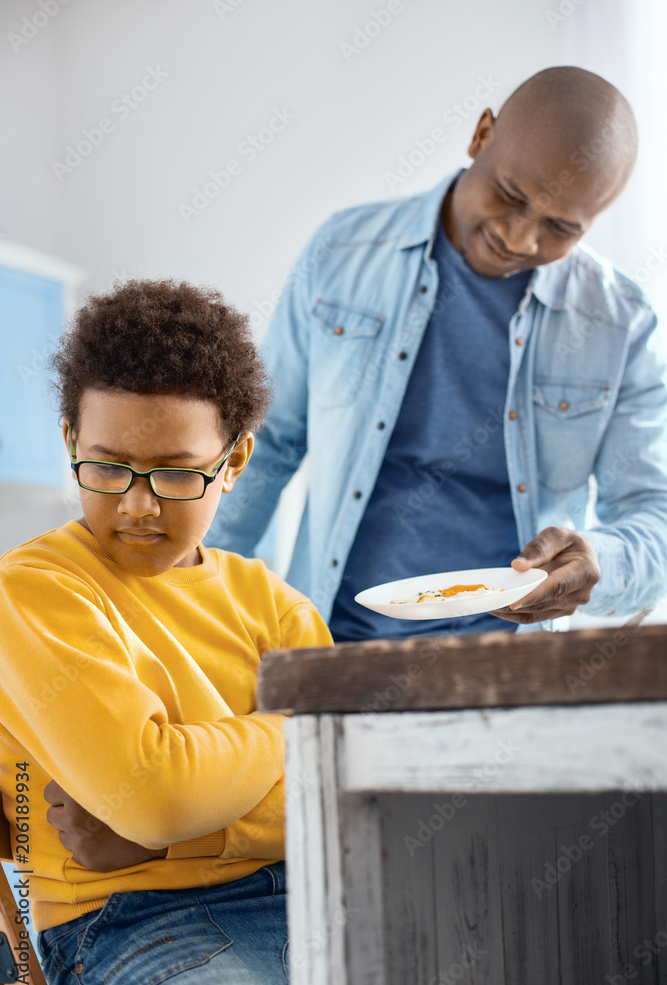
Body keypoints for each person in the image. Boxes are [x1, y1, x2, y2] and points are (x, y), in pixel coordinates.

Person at [206, 66, 667, 642]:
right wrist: (191, 596)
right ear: (480, 136)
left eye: (560, 227)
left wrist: (601, 558)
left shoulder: (621, 323)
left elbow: (654, 512)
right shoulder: (343, 254)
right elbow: (264, 446)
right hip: (325, 644)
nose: (521, 239)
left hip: (510, 671)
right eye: (511, 195)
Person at [0, 279, 332, 985]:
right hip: (125, 923)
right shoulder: (36, 588)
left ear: (234, 463)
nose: (138, 505)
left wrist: (179, 836)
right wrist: (290, 724)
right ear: (70, 443)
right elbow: (149, 791)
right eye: (108, 466)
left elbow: (334, 793)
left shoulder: (275, 607)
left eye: (177, 473)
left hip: (310, 902)